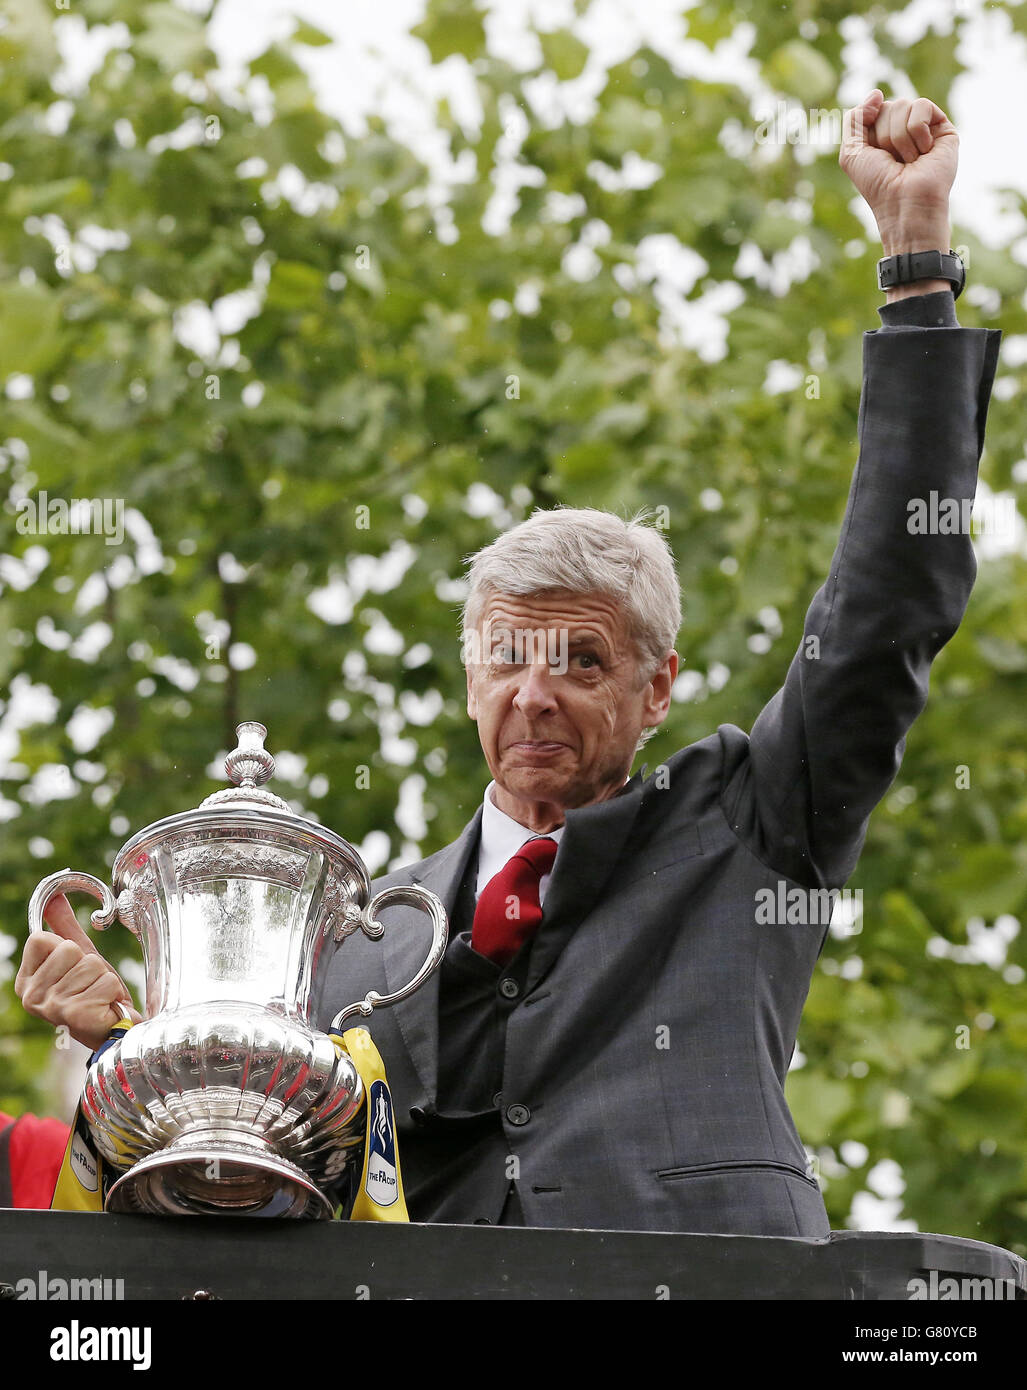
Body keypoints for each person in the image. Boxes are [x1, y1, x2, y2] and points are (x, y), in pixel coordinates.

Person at [15, 91, 1001, 1235]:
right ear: (471, 677)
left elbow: (888, 597)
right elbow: (279, 1187)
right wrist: (127, 1042)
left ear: (657, 686)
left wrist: (913, 267)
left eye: (579, 660)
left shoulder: (753, 822)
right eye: (505, 658)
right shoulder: (358, 935)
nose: (533, 692)